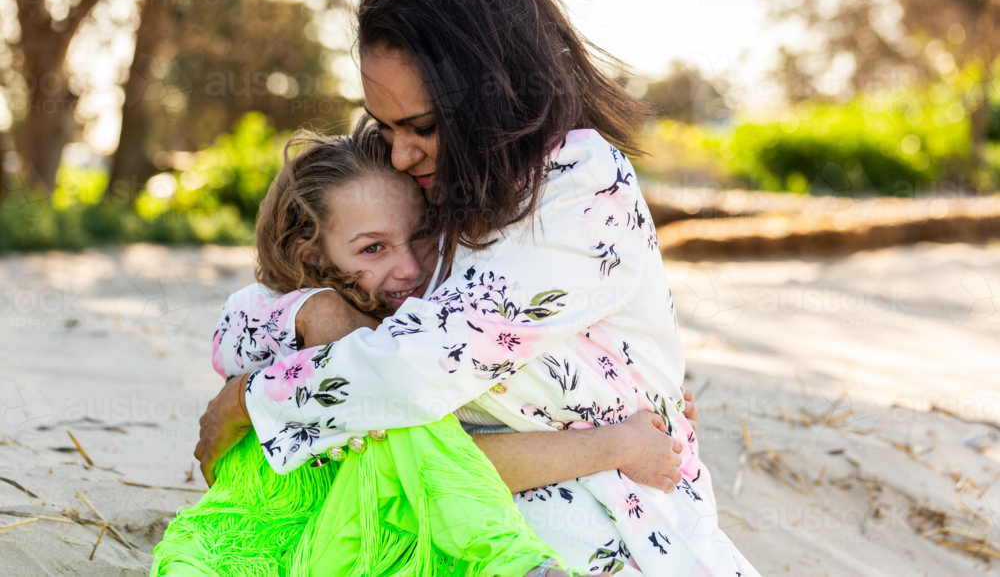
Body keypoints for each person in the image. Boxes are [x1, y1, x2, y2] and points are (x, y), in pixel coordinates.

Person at [196, 0, 757, 577]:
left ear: (492, 92)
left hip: (605, 530)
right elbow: (259, 319)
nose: (401, 155)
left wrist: (255, 401)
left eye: (422, 126)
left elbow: (417, 372)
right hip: (414, 525)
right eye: (385, 131)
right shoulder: (432, 202)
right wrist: (314, 314)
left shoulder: (578, 189)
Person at [154, 129, 684, 577]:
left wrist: (640, 407)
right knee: (190, 558)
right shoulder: (290, 312)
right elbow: (233, 336)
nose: (408, 267)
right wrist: (315, 313)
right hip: (262, 518)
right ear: (310, 253)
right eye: (373, 248)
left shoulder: (427, 319)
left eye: (422, 236)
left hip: (357, 527)